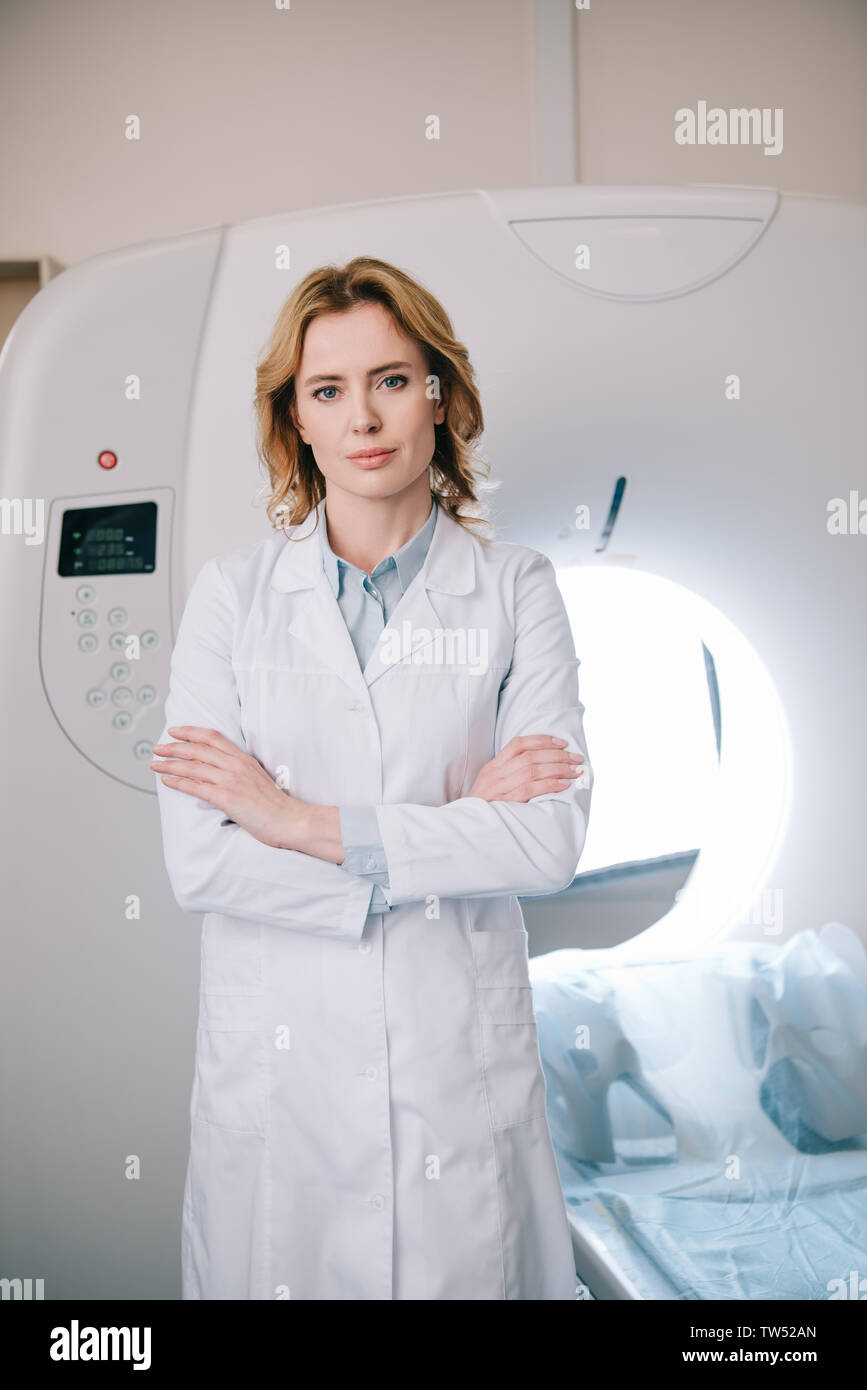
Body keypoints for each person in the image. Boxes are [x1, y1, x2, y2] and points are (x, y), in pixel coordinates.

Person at [151, 255, 593, 1300]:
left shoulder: (516, 589)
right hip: (283, 1070)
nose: (364, 416)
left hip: (453, 1070)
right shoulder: (232, 597)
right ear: (296, 419)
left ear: (438, 394)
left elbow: (547, 843)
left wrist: (295, 819)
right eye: (327, 389)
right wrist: (456, 826)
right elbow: (201, 864)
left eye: (392, 379)